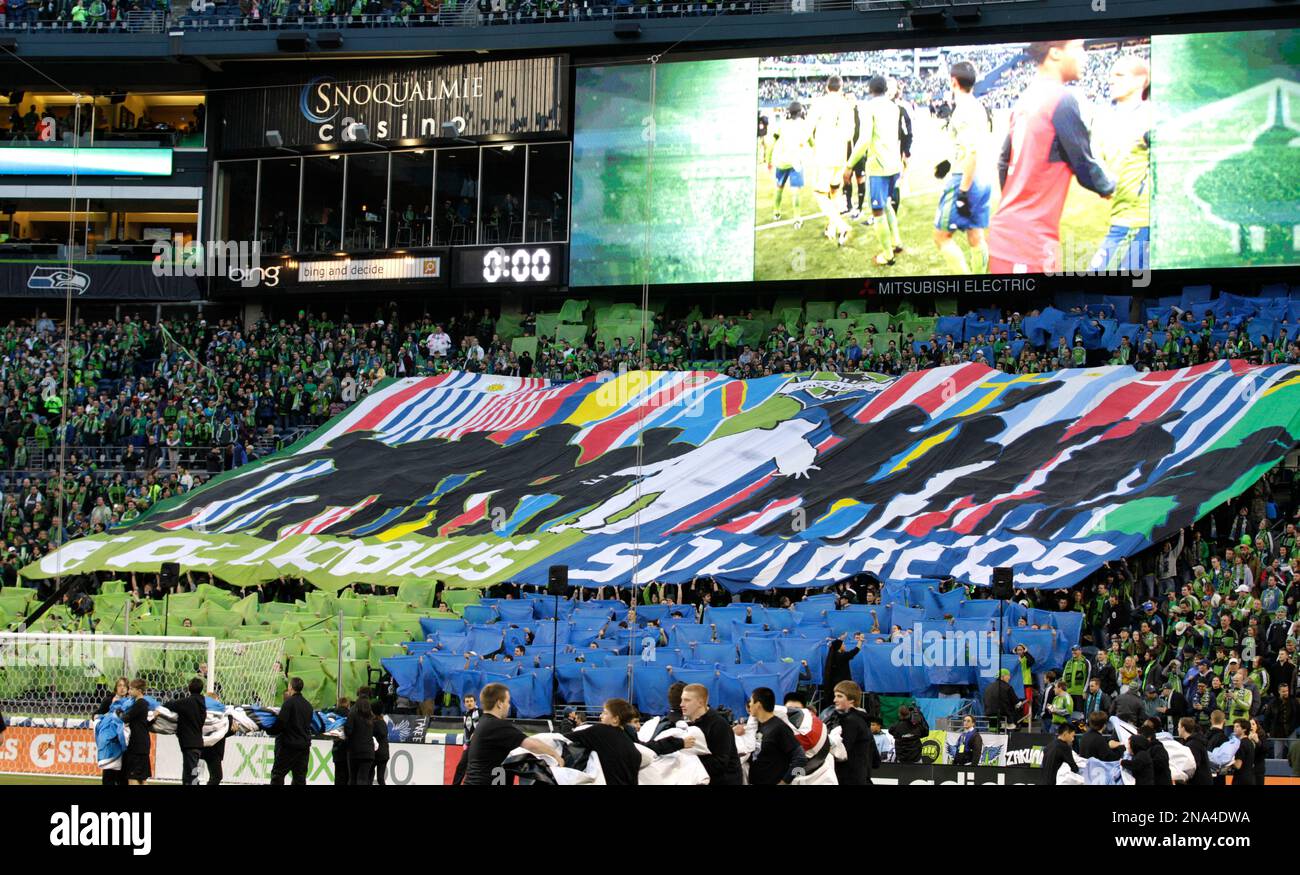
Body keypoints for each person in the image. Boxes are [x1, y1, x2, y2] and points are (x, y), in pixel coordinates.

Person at [986, 40, 1115, 274]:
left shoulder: (1026, 98)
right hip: (1027, 243)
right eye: (1079, 48)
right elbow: (1085, 164)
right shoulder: (1060, 99)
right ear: (1055, 52)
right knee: (1033, 311)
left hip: (1013, 234)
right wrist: (1110, 187)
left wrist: (1017, 201)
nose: (1084, 56)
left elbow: (1004, 160)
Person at [933, 59, 992, 274]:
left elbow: (972, 151)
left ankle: (967, 285)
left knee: (941, 237)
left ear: (953, 81)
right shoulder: (976, 106)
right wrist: (948, 163)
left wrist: (963, 192)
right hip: (983, 177)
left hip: (966, 178)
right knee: (976, 236)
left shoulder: (964, 110)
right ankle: (980, 287)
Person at [461, 683, 561, 786]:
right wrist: (556, 755)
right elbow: (532, 745)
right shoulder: (496, 726)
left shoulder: (484, 723)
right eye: (507, 702)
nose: (509, 706)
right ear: (499, 703)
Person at [563, 698, 643, 786]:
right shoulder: (634, 750)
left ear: (615, 719)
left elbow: (565, 738)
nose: (601, 716)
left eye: (605, 713)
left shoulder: (601, 731)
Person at [679, 683, 743, 786]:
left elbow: (721, 762)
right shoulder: (691, 723)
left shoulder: (718, 724)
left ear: (700, 703)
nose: (681, 704)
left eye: (687, 700)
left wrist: (687, 764)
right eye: (682, 699)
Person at [741, 687, 806, 785]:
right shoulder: (759, 726)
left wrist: (785, 782)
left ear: (758, 705)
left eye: (751, 701)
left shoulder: (780, 728)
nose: (749, 704)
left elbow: (800, 758)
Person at [162, 677, 208, 786]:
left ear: (189, 687)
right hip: (197, 743)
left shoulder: (188, 702)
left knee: (191, 775)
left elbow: (169, 705)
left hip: (189, 743)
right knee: (190, 773)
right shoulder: (202, 704)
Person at [269, 676, 313, 786]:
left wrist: (270, 730)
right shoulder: (308, 706)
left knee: (278, 774)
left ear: (291, 687)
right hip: (303, 746)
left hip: (288, 745)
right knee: (299, 778)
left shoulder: (288, 703)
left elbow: (281, 723)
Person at [96, 677, 130, 787]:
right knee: (109, 772)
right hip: (111, 742)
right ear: (116, 688)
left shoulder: (130, 702)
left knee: (123, 774)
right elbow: (96, 714)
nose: (122, 688)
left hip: (123, 743)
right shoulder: (109, 700)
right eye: (120, 685)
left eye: (124, 686)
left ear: (128, 688)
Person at [122, 679, 152, 786]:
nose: (129, 691)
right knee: (142, 778)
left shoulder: (139, 704)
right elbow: (145, 723)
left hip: (137, 745)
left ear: (139, 691)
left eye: (131, 689)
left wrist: (119, 712)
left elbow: (126, 718)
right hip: (143, 744)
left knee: (132, 777)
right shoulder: (144, 704)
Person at [344, 696, 376, 785]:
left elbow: (348, 731)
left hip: (355, 751)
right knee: (363, 778)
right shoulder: (372, 717)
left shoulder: (353, 715)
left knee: (353, 778)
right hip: (369, 752)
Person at [451, 693, 481, 786]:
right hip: (470, 744)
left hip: (480, 744)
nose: (469, 703)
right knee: (462, 766)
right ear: (464, 704)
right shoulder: (465, 714)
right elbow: (466, 730)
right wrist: (466, 742)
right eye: (467, 701)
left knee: (477, 768)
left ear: (475, 702)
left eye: (471, 701)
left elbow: (485, 725)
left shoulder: (480, 712)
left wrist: (476, 733)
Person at [1178, 717, 1212, 786]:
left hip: (1199, 781)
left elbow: (1193, 765)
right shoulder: (1194, 742)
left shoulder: (1192, 744)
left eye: (1179, 727)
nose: (1177, 729)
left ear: (1183, 728)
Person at [1229, 717, 1256, 786]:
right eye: (1234, 726)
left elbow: (1238, 765)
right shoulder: (1250, 742)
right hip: (1250, 778)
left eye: (1237, 726)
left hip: (1241, 780)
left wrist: (1228, 761)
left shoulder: (1241, 744)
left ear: (1244, 729)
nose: (1234, 728)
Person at [372, 700, 391, 786]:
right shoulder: (383, 722)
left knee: (369, 777)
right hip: (384, 753)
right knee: (380, 778)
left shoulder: (373, 724)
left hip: (376, 754)